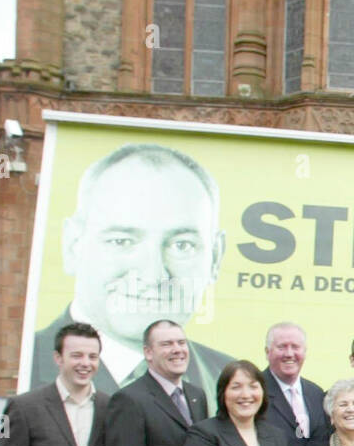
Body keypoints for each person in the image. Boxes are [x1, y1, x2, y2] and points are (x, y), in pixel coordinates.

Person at [29, 144, 232, 394]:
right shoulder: (27, 367)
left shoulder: (229, 381)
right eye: (121, 241)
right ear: (72, 246)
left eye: (182, 245)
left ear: (215, 258)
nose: (153, 276)